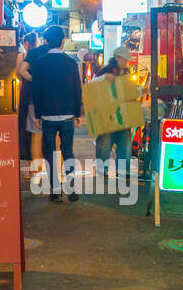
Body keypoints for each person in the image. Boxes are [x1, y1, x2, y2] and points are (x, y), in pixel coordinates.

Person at [27, 25, 83, 203]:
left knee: (50, 153)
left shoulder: (39, 63)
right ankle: (72, 189)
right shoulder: (71, 63)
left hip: (48, 116)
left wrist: (38, 115)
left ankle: (55, 191)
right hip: (67, 115)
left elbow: (36, 91)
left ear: (45, 42)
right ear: (63, 42)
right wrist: (77, 113)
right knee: (68, 151)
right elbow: (77, 89)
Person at [92, 45, 135, 184]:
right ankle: (101, 170)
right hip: (107, 115)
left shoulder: (127, 73)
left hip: (123, 115)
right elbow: (92, 84)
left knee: (125, 143)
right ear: (116, 58)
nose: (126, 62)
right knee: (105, 143)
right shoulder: (105, 71)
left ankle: (123, 171)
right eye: (124, 59)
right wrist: (106, 77)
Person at [16, 31, 43, 165]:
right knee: (45, 132)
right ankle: (43, 164)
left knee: (32, 131)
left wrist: (32, 79)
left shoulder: (24, 55)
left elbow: (19, 73)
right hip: (43, 95)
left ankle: (34, 166)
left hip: (28, 94)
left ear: (26, 43)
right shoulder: (41, 54)